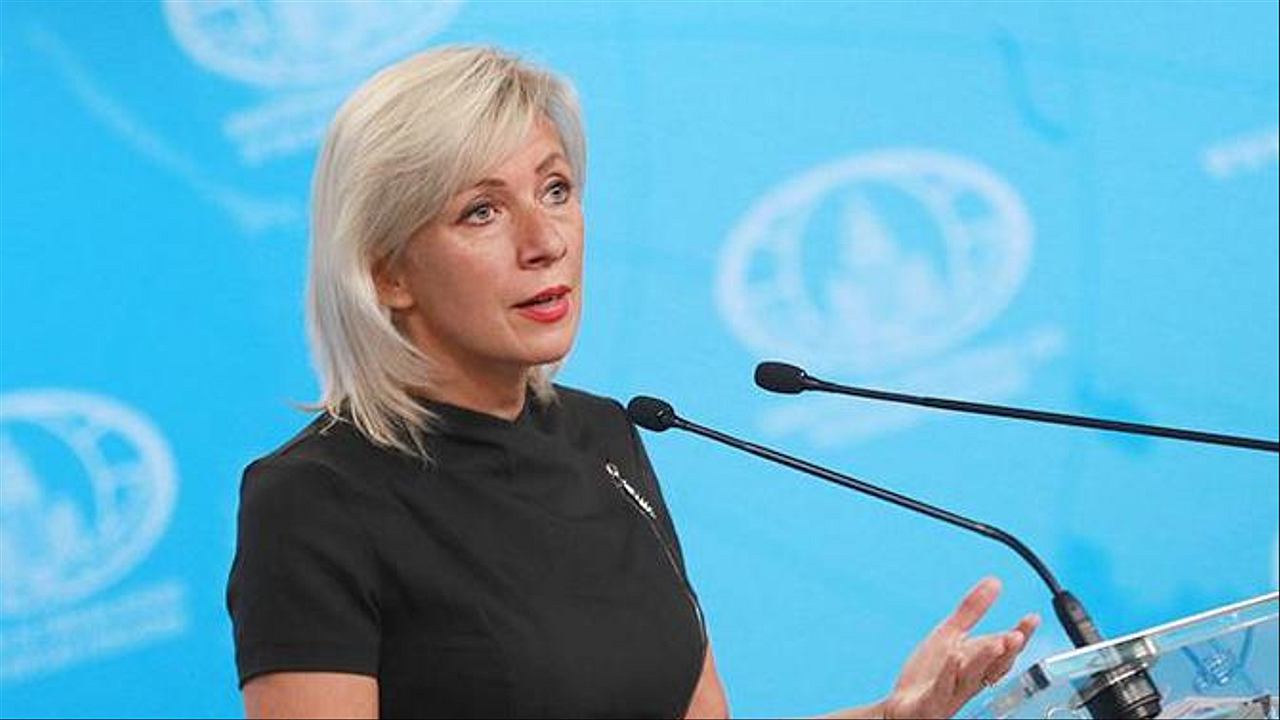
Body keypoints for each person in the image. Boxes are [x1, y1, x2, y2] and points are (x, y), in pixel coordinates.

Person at [226, 45, 1040, 719]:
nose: (545, 240)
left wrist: (891, 718)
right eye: (482, 211)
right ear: (387, 273)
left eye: (555, 190)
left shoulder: (605, 434)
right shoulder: (314, 500)